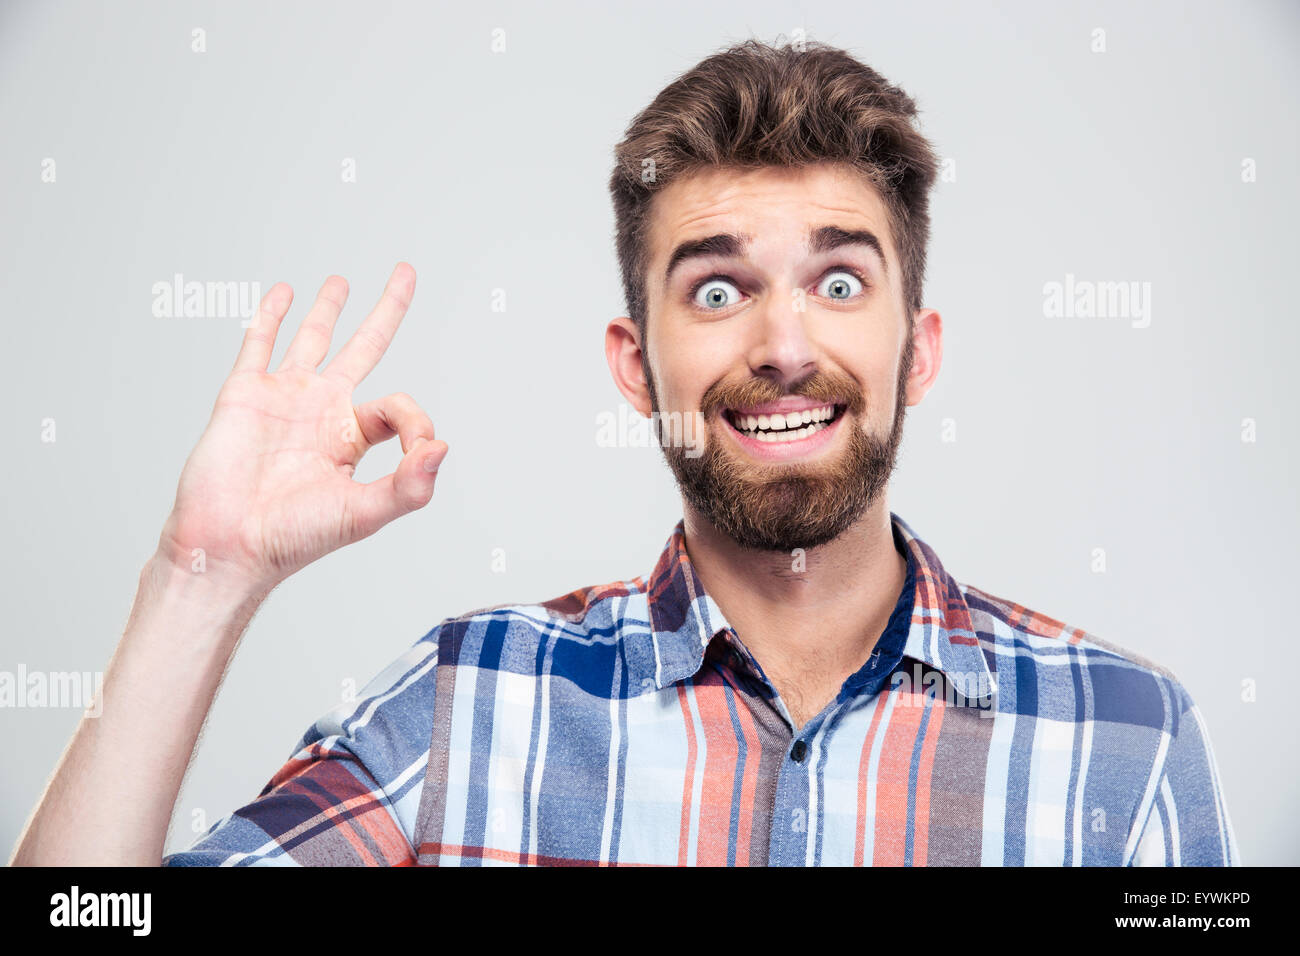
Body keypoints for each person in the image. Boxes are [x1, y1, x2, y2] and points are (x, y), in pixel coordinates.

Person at [11, 38, 1237, 867]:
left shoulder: (1125, 740)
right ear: (632, 363)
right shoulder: (467, 706)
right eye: (715, 292)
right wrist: (200, 574)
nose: (783, 342)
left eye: (839, 278)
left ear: (916, 350)